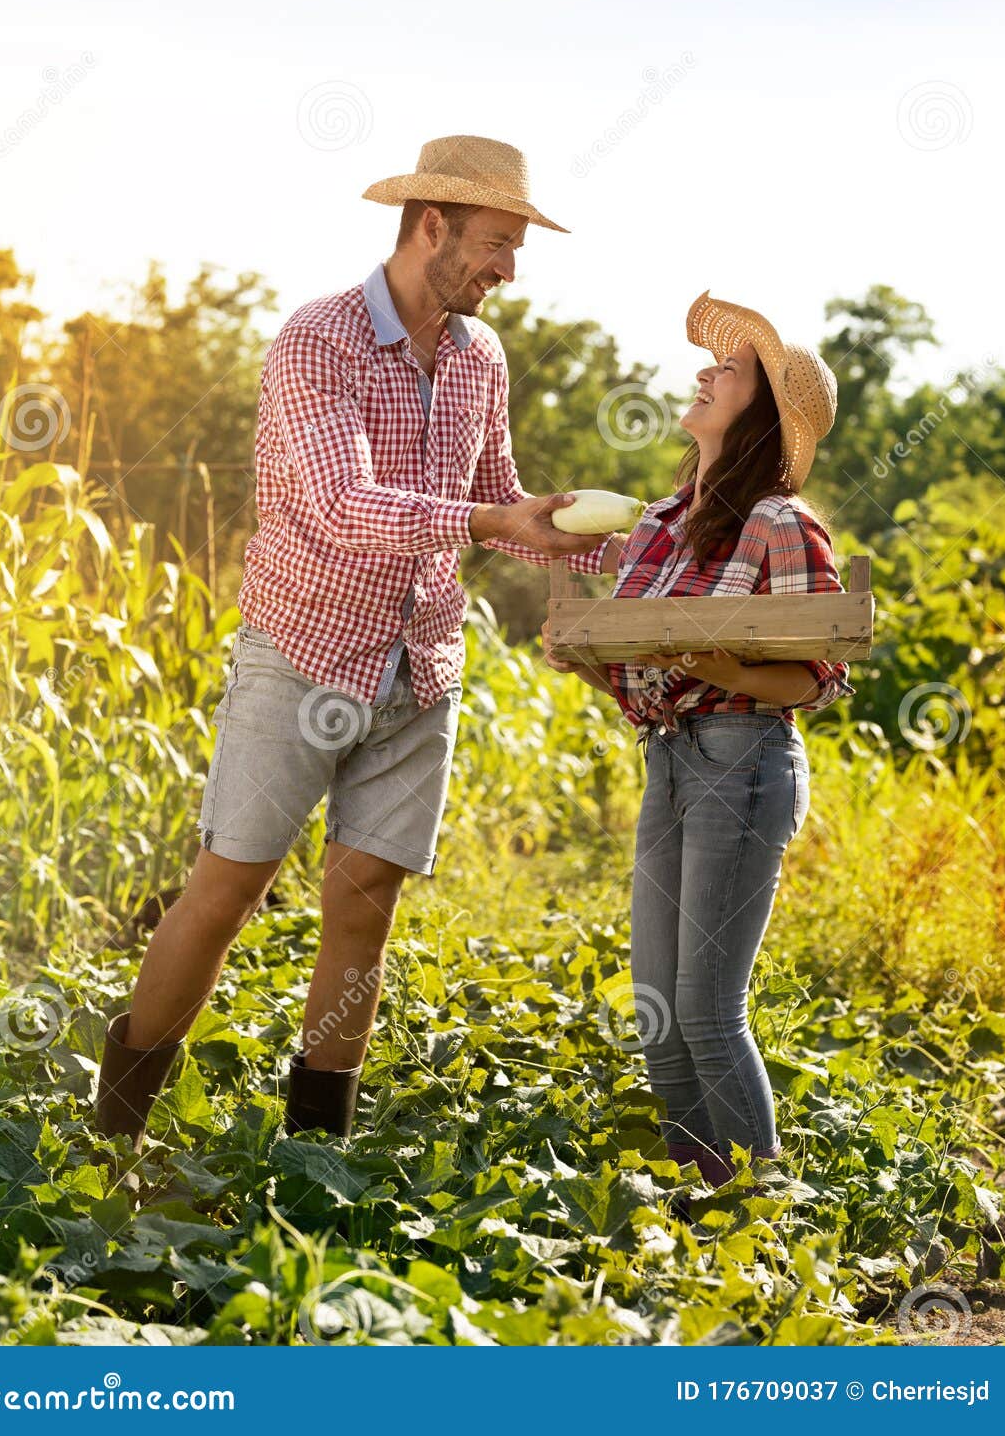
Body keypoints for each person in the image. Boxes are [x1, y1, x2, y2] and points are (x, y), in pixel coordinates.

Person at [94, 135, 621, 1157]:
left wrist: (559, 565)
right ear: (431, 225)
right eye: (496, 244)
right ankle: (111, 1134)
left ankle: (313, 1158)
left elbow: (498, 494)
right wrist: (487, 526)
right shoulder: (318, 340)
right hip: (302, 649)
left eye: (515, 247)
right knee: (228, 888)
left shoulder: (480, 357)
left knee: (363, 904)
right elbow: (343, 505)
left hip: (420, 663)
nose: (508, 269)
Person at [542, 290, 856, 1186]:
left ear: (765, 412)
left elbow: (811, 677)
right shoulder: (659, 523)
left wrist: (701, 659)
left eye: (729, 370)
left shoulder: (780, 523)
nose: (704, 374)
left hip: (744, 757)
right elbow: (644, 675)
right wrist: (589, 658)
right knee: (658, 1009)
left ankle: (767, 1213)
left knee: (708, 1008)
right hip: (669, 757)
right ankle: (702, 1205)